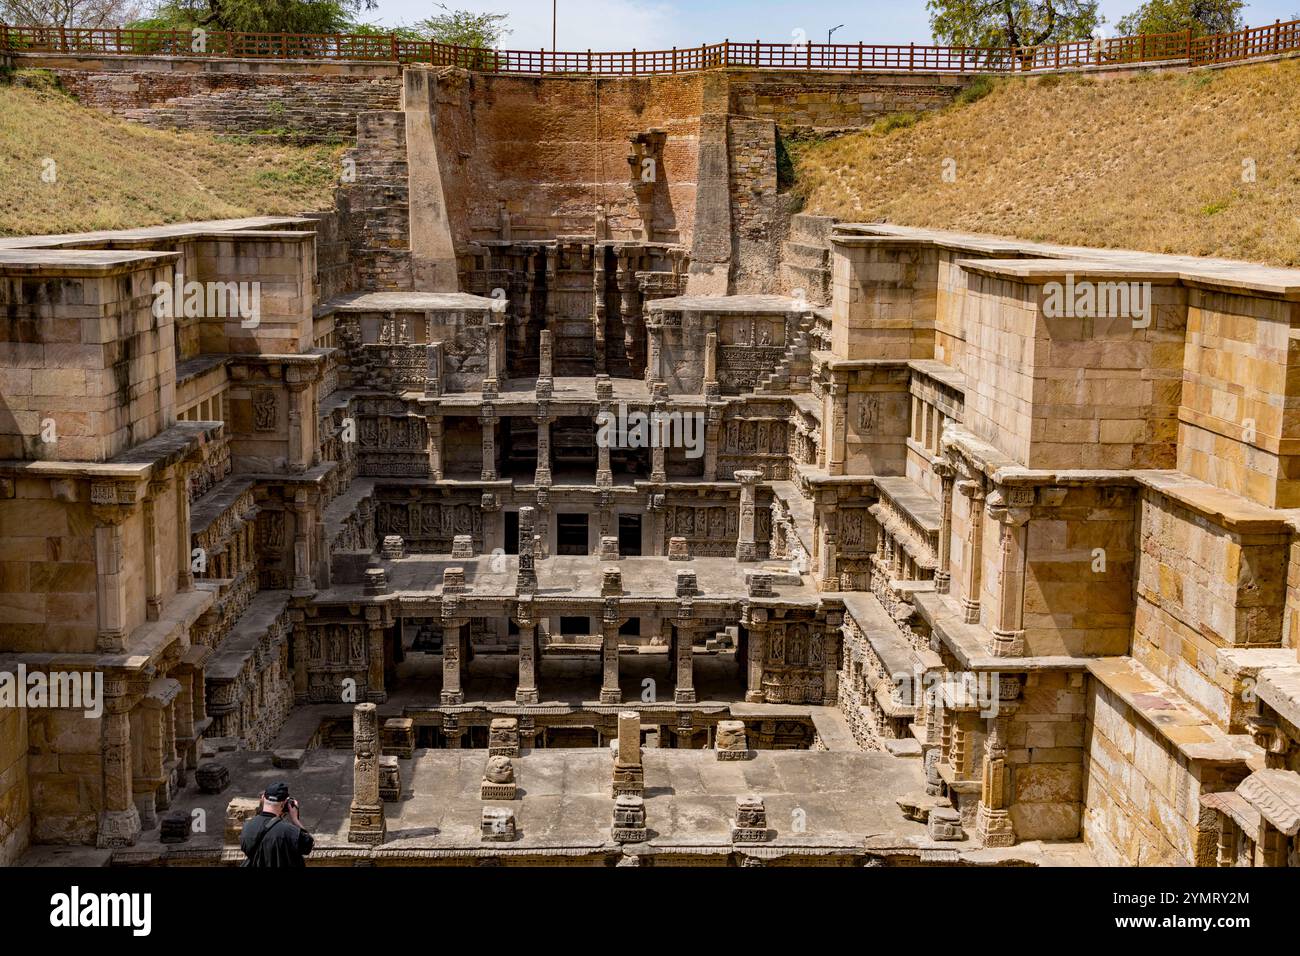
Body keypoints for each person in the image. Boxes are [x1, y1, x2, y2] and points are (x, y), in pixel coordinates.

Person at [239, 781, 314, 867]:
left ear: (263, 798)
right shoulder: (290, 832)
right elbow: (309, 845)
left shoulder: (247, 827)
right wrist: (295, 820)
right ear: (284, 804)